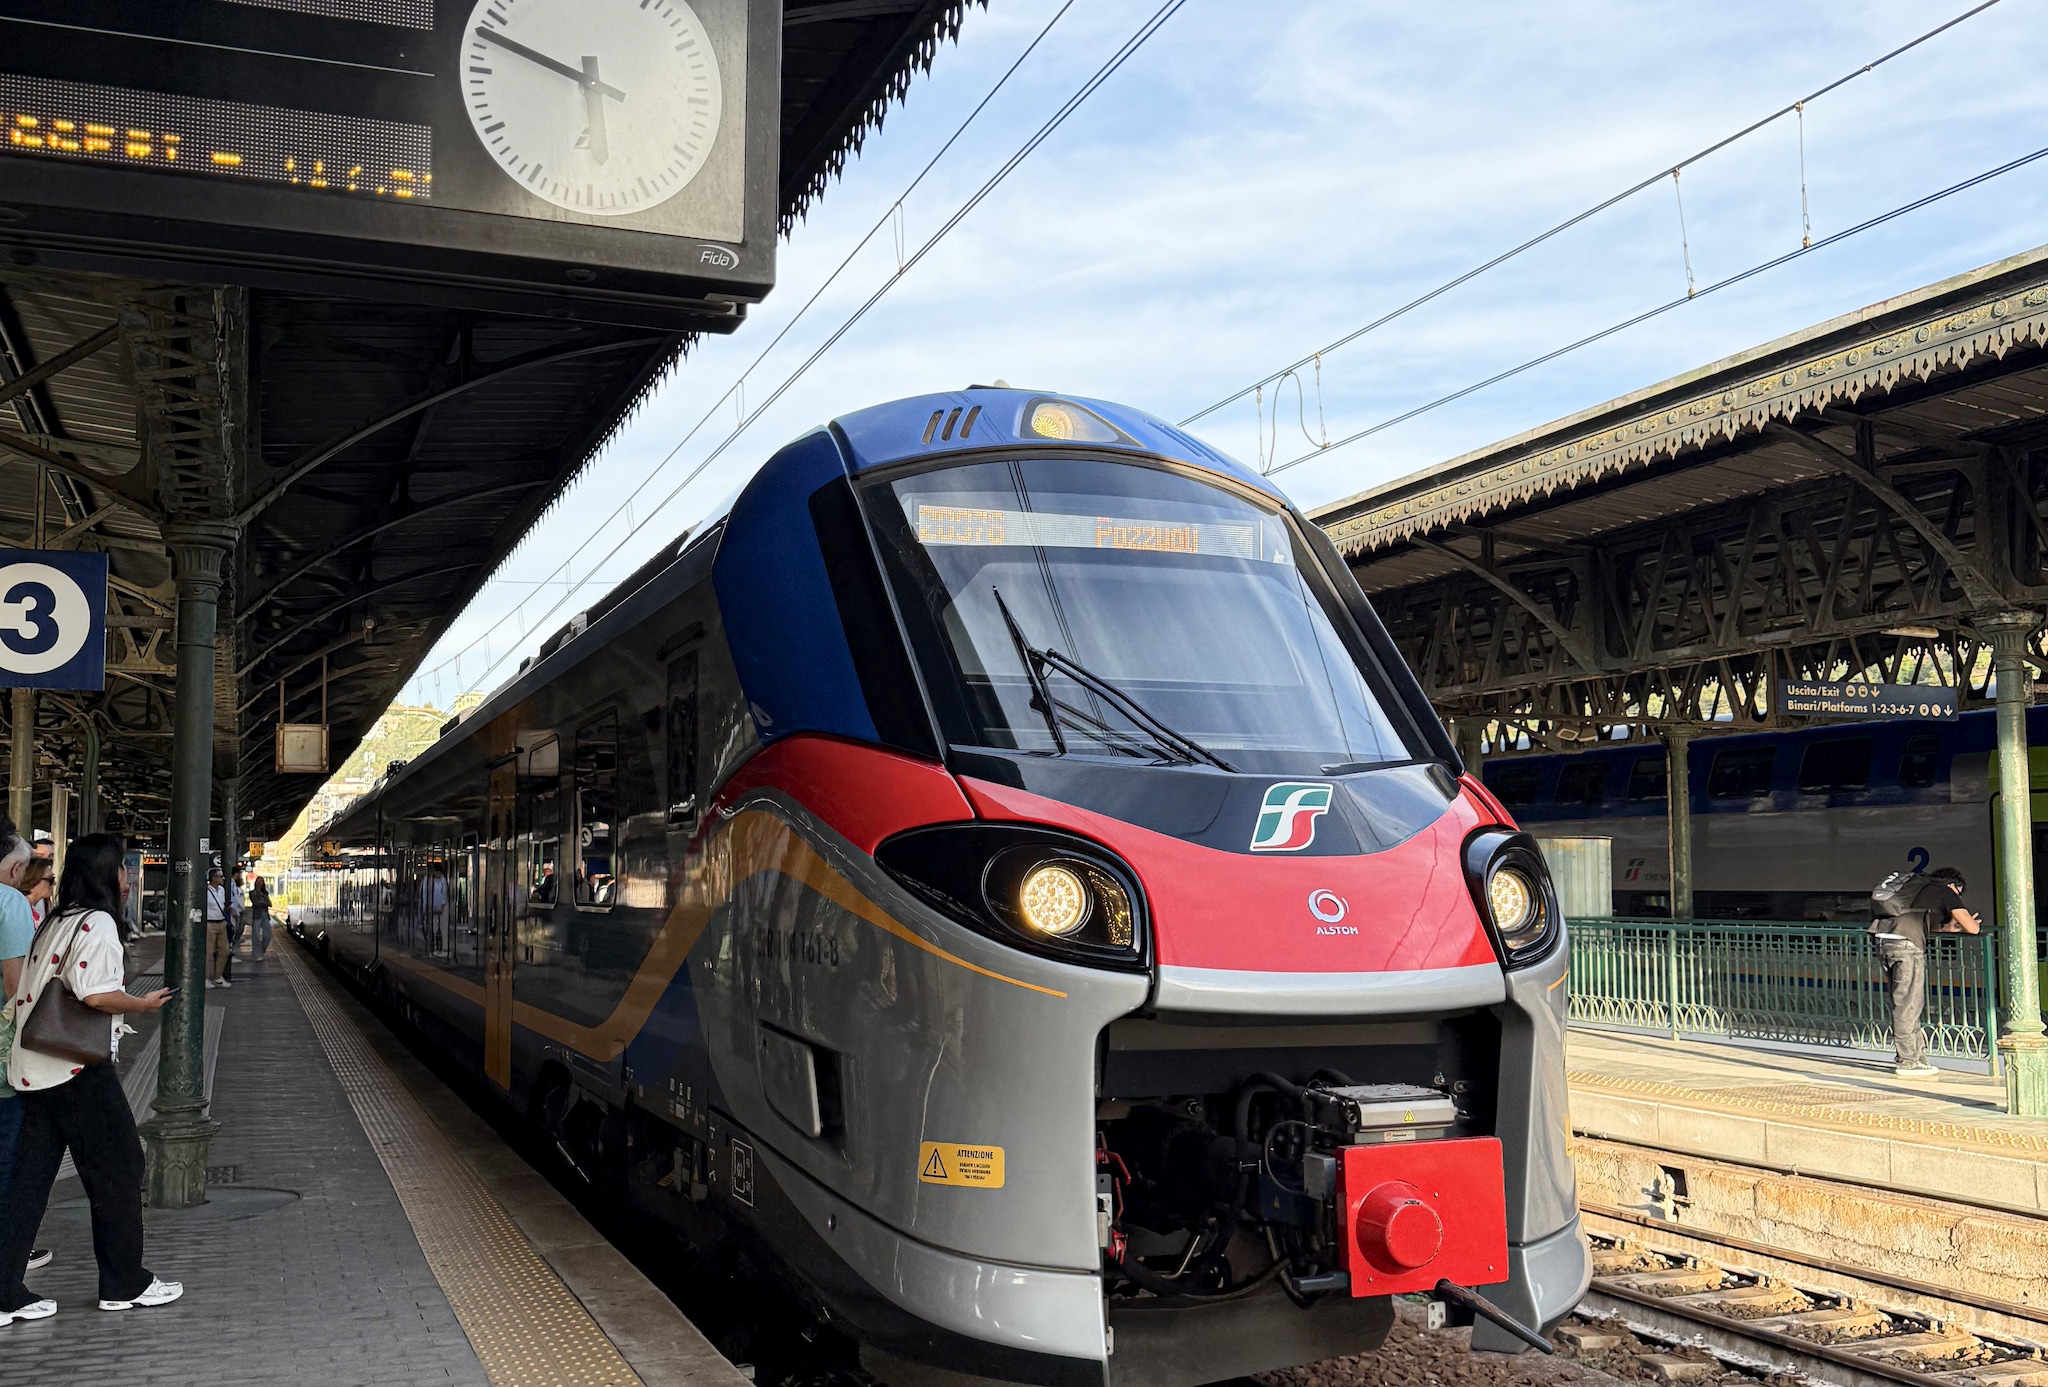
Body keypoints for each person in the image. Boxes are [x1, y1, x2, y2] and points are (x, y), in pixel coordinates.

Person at [0, 833, 179, 1322]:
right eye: (122, 867)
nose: (127, 877)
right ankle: (124, 1282)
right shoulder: (97, 922)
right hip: (76, 1067)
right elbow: (96, 995)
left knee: (29, 1182)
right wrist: (142, 1004)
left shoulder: (57, 919)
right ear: (107, 873)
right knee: (121, 1168)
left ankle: (3, 1291)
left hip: (35, 1066)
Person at [1872, 866, 1981, 1079]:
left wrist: (1947, 929)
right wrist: (1967, 921)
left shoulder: (1917, 888)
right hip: (1907, 947)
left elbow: (1917, 921)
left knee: (1903, 1001)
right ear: (1954, 886)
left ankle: (1916, 1057)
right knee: (1908, 1003)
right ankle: (1908, 1061)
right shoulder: (1946, 891)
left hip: (1883, 941)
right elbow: (1972, 928)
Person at [0, 821, 49, 1276]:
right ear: (16, 868)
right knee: (8, 1152)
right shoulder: (10, 903)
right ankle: (8, 1254)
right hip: (1, 1063)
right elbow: (16, 987)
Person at [204, 866, 231, 989]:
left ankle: (218, 977)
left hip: (221, 922)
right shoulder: (206, 891)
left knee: (224, 951)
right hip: (210, 923)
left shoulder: (221, 890)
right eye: (220, 876)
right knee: (208, 953)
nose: (223, 878)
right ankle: (206, 978)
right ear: (213, 878)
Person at [247, 874, 272, 963]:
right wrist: (263, 902)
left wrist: (263, 902)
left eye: (261, 881)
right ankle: (256, 954)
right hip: (257, 915)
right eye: (258, 881)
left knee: (268, 935)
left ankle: (261, 951)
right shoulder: (252, 892)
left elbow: (270, 903)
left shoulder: (265, 893)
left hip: (265, 915)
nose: (259, 883)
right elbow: (256, 903)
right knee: (255, 935)